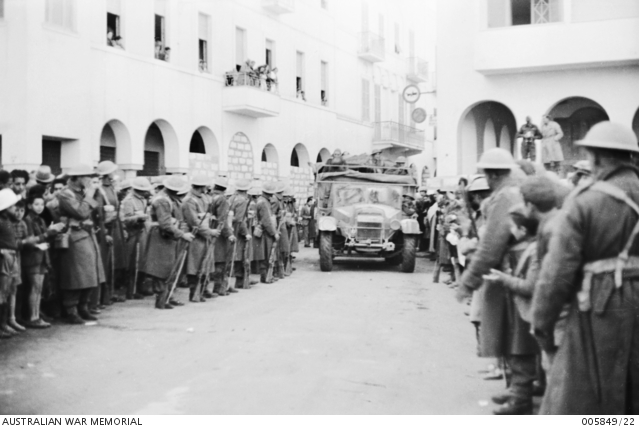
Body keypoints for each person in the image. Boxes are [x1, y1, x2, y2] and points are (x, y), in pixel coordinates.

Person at [531, 122, 639, 415]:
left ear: (597, 157)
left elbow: (555, 275)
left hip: (600, 308)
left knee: (581, 403)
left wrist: (542, 326)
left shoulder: (585, 201)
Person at [456, 148, 538, 415]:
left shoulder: (505, 197)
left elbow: (491, 246)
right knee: (515, 335)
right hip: (518, 265)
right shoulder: (515, 192)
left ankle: (520, 397)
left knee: (517, 336)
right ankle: (516, 391)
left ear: (491, 175)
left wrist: (467, 282)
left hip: (514, 268)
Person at [480, 204, 540, 409]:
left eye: (513, 226)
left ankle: (520, 400)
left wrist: (503, 278)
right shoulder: (524, 246)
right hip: (519, 309)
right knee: (515, 353)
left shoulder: (530, 249)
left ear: (523, 230)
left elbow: (528, 285)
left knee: (521, 354)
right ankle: (516, 392)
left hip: (524, 311)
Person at [57, 164, 106, 324]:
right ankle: (71, 309)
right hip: (74, 237)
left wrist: (93, 194)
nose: (90, 180)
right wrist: (90, 194)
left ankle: (83, 307)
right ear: (77, 178)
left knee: (91, 273)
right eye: (87, 177)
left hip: (87, 234)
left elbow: (95, 209)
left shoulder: (82, 193)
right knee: (76, 275)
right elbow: (82, 212)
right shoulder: (66, 194)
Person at [141, 176, 194, 310]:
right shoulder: (162, 201)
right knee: (161, 269)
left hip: (169, 237)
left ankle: (167, 296)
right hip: (160, 237)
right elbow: (165, 224)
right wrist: (182, 235)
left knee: (170, 267)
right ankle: (161, 300)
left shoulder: (169, 199)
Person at [22, 192, 64, 328]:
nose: (40, 207)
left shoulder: (40, 220)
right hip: (33, 257)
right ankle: (33, 317)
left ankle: (36, 316)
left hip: (41, 257)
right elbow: (29, 240)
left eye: (42, 204)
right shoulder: (28, 220)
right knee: (35, 288)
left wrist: (51, 231)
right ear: (29, 205)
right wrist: (48, 233)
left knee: (38, 288)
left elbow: (44, 237)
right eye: (36, 204)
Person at [93, 161, 126, 307]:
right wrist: (104, 232)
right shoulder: (99, 190)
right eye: (113, 171)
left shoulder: (111, 188)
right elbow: (99, 213)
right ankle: (101, 297)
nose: (115, 174)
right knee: (105, 263)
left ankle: (110, 293)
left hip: (116, 226)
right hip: (106, 228)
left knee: (114, 261)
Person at [182, 175, 218, 302]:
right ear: (201, 187)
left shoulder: (203, 198)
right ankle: (194, 292)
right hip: (196, 238)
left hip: (205, 237)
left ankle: (203, 289)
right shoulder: (189, 201)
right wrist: (210, 232)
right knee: (195, 266)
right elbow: (194, 222)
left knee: (206, 264)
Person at [120, 177, 153, 300]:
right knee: (133, 263)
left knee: (142, 263)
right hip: (133, 235)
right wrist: (137, 218)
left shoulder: (143, 200)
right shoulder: (129, 201)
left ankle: (140, 287)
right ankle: (131, 290)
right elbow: (125, 220)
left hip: (143, 233)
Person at [0, 189, 23, 338]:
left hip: (11, 255)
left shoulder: (7, 220)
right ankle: (1, 325)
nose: (15, 208)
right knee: (2, 293)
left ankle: (4, 323)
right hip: (4, 257)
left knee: (7, 292)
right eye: (13, 205)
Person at [209, 177, 234, 297]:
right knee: (221, 260)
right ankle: (220, 288)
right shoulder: (222, 199)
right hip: (219, 233)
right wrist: (229, 234)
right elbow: (222, 220)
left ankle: (218, 287)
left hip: (210, 229)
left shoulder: (210, 197)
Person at [227, 179, 254, 290]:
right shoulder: (242, 200)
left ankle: (240, 279)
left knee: (236, 255)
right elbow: (240, 219)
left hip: (231, 228)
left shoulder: (232, 198)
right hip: (238, 230)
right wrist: (246, 232)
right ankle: (240, 280)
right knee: (241, 255)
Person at [254, 182, 279, 283]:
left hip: (264, 230)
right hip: (265, 232)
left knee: (266, 254)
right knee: (267, 254)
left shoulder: (262, 201)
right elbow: (266, 221)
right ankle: (265, 277)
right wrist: (274, 233)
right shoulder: (264, 203)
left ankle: (266, 276)